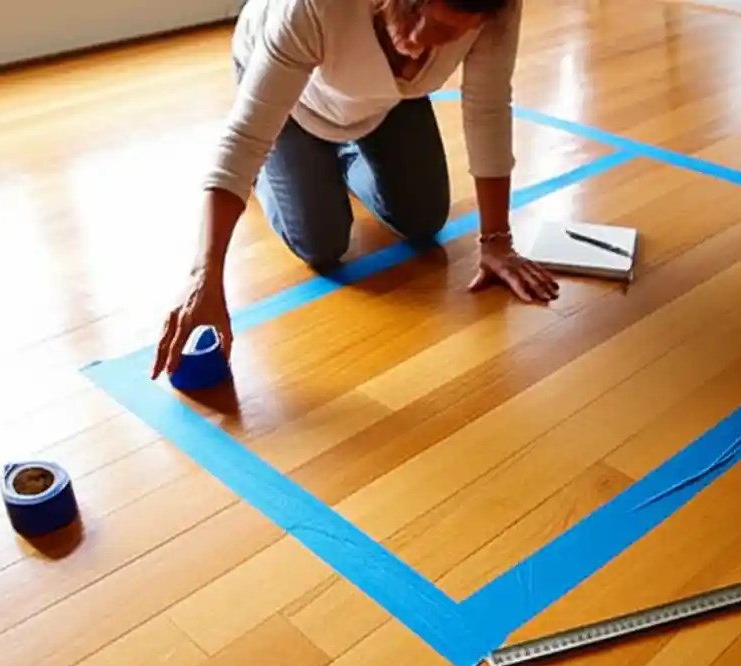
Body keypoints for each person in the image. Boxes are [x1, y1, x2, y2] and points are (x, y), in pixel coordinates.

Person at [151, 0, 560, 381]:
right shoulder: (314, 6)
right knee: (321, 243)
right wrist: (205, 275)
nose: (417, 41)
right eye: (411, 7)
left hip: (383, 99)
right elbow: (244, 139)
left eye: (442, 29)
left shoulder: (496, 8)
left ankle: (336, 155)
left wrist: (496, 240)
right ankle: (274, 170)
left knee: (423, 219)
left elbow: (487, 107)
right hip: (296, 99)